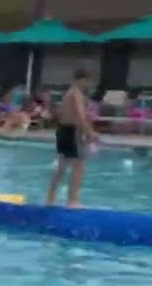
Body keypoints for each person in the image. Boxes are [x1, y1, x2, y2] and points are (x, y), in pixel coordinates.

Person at [47, 68, 98, 207]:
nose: (89, 85)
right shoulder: (76, 94)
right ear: (82, 80)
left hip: (64, 130)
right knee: (78, 167)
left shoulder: (69, 93)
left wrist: (87, 130)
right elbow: (81, 116)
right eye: (88, 82)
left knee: (61, 167)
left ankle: (50, 198)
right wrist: (90, 133)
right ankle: (72, 200)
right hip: (72, 132)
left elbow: (68, 114)